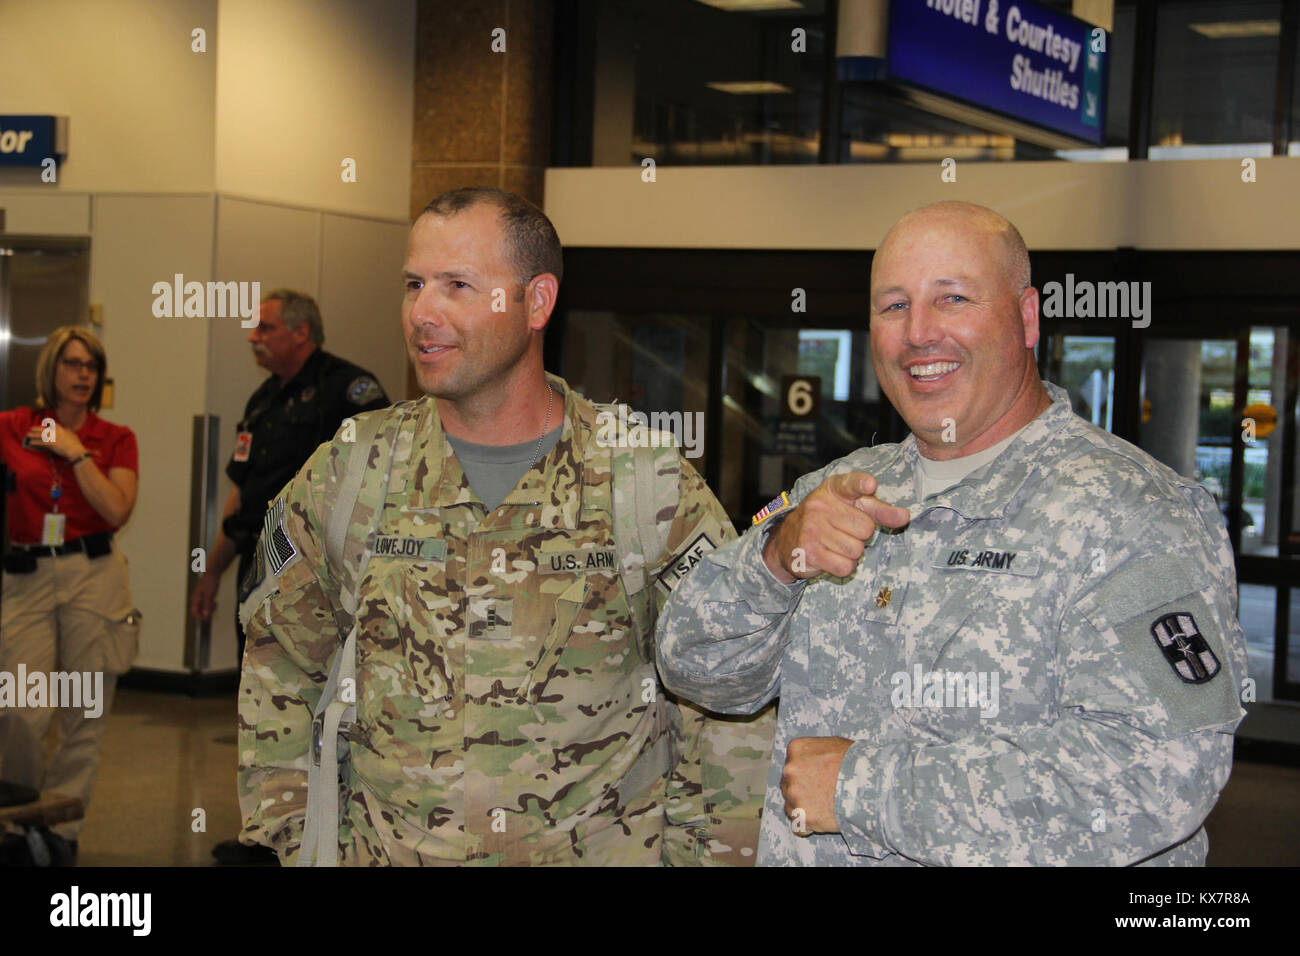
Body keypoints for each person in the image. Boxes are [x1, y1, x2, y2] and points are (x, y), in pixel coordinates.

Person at [656, 200, 1248, 866]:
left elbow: (1162, 773)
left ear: (1026, 318)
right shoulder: (843, 486)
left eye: (953, 299)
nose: (918, 334)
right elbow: (693, 666)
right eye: (893, 306)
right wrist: (777, 557)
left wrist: (858, 788)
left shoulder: (1136, 512)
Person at [234, 187, 773, 865]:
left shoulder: (643, 484)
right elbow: (280, 665)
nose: (423, 312)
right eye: (413, 284)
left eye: (458, 285)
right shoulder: (352, 471)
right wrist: (287, 843)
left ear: (536, 301)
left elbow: (726, 700)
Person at [190, 289, 389, 865]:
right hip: (258, 561)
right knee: (261, 696)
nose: (253, 336)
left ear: (301, 333)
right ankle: (265, 830)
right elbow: (243, 496)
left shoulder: (349, 391)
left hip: (318, 569)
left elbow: (379, 480)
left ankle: (327, 828)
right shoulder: (260, 401)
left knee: (321, 700)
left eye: (265, 327)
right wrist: (211, 570)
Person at [0, 326, 140, 865]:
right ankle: (16, 825)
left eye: (91, 366)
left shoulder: (115, 438)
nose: (83, 374)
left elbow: (116, 511)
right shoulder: (14, 427)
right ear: (50, 371)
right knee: (19, 709)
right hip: (27, 574)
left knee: (84, 712)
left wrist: (78, 453)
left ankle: (62, 831)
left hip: (92, 573)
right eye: (72, 364)